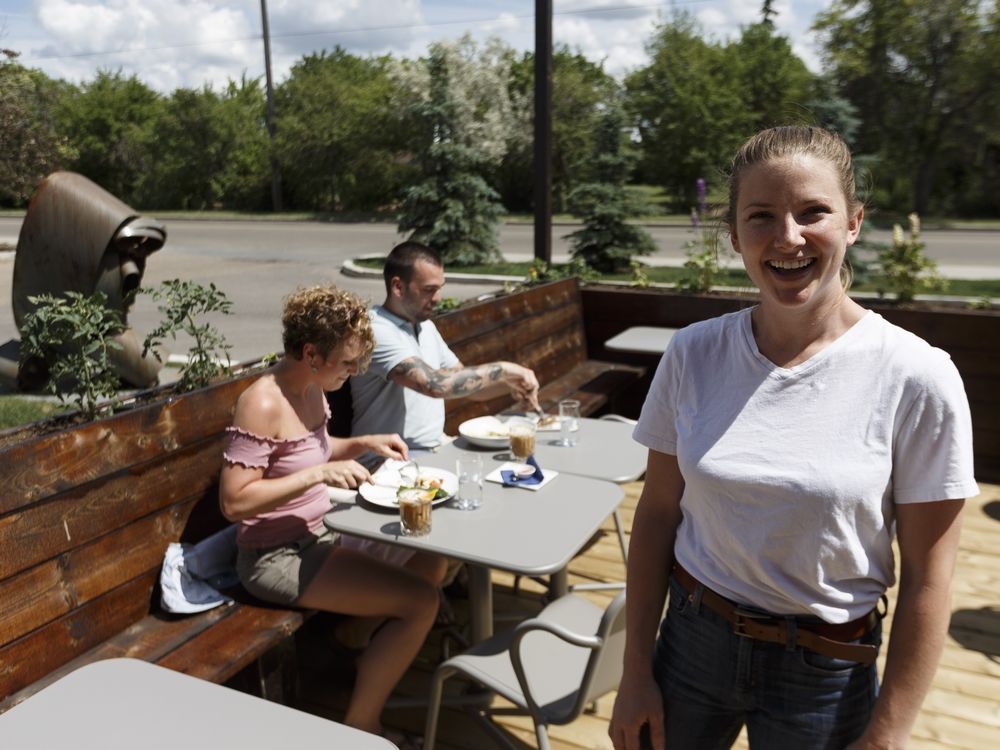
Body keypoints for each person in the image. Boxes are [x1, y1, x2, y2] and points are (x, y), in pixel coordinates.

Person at [609, 126, 978, 750]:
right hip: (693, 641)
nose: (787, 238)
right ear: (734, 236)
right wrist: (633, 669)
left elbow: (928, 578)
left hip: (825, 670)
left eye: (813, 213)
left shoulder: (917, 375)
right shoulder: (693, 353)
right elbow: (656, 514)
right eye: (761, 217)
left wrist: (888, 733)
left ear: (854, 222)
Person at [219, 284, 446, 745]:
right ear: (311, 352)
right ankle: (362, 727)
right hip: (275, 557)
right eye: (348, 363)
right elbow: (234, 502)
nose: (355, 372)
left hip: (322, 535)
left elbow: (313, 452)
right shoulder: (263, 402)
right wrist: (319, 474)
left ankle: (353, 638)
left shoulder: (312, 388)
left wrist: (362, 444)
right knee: (422, 603)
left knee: (431, 560)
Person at [350, 240, 541, 451]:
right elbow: (434, 384)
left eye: (439, 288)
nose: (438, 298)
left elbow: (466, 385)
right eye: (429, 290)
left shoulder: (425, 326)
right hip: (386, 461)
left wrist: (512, 383)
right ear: (398, 287)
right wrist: (503, 369)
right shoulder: (376, 330)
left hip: (432, 449)